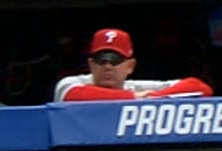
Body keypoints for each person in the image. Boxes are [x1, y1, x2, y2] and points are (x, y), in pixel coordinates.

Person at [53, 28, 213, 102]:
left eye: (115, 60)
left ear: (130, 66)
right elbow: (72, 94)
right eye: (101, 60)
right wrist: (133, 98)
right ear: (90, 64)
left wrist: (153, 98)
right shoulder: (74, 83)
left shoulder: (137, 88)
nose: (108, 66)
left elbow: (200, 88)